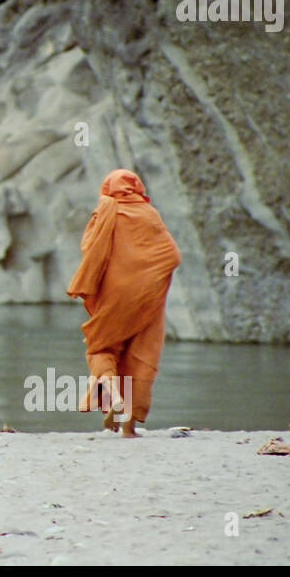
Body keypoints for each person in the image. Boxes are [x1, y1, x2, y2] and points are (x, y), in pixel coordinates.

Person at [66, 168, 181, 437]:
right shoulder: (149, 214)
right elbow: (172, 255)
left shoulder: (105, 210)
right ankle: (128, 428)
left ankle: (113, 392)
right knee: (140, 352)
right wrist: (151, 280)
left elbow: (90, 249)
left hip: (114, 294)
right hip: (146, 298)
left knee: (101, 346)